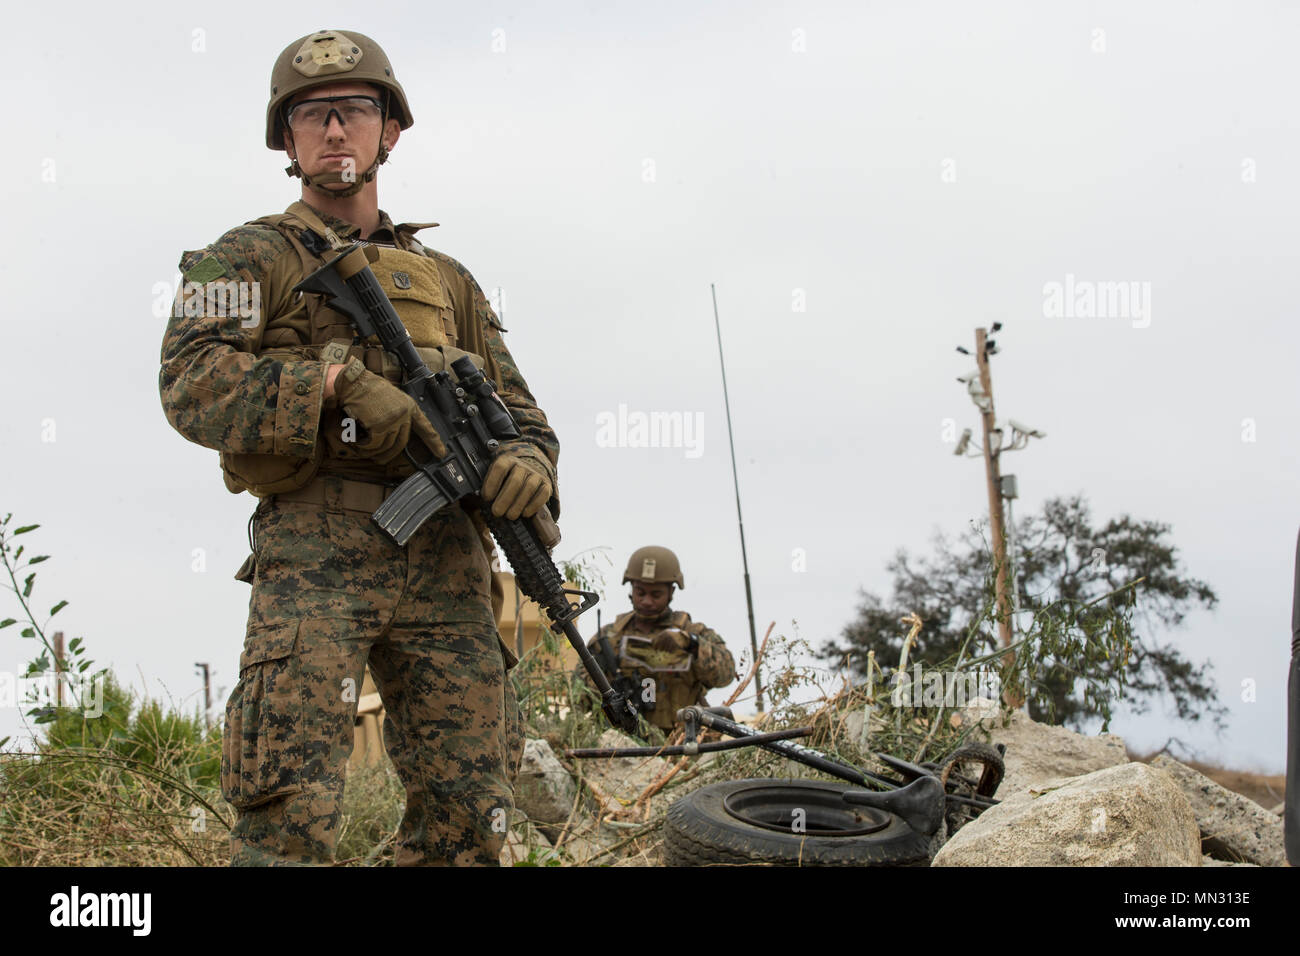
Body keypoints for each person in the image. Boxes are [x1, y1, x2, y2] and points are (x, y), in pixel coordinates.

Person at [158, 29, 560, 866]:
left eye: (354, 112)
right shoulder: (245, 256)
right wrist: (332, 383)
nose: (335, 131)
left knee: (471, 811)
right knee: (288, 811)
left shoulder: (448, 280)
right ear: (289, 141)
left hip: (448, 552)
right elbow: (189, 381)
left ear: (391, 131)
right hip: (317, 548)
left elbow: (521, 411)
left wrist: (528, 464)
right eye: (312, 117)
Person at [577, 547, 736, 735]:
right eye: (640, 592)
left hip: (683, 742)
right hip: (624, 742)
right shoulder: (609, 638)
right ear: (631, 589)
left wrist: (691, 644)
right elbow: (579, 695)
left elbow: (725, 675)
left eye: (656, 594)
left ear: (671, 592)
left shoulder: (694, 633)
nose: (646, 601)